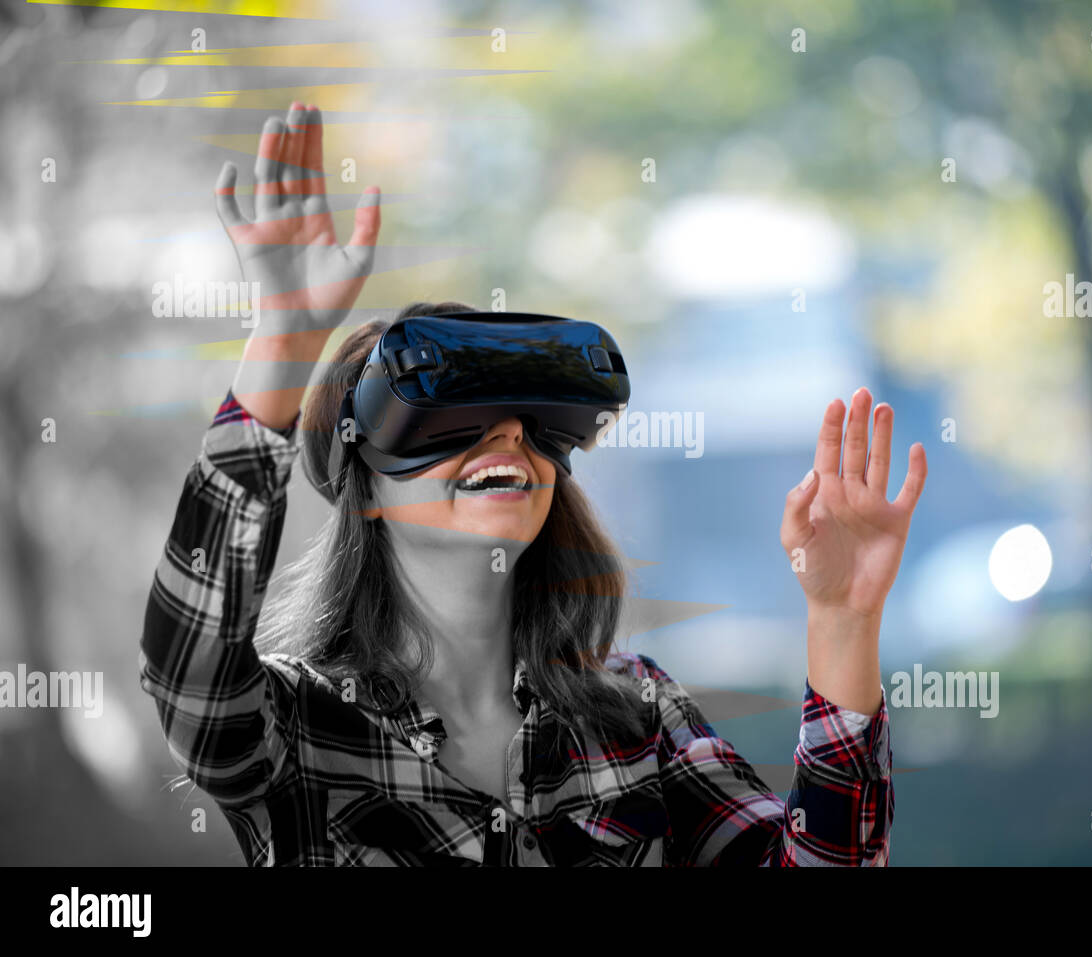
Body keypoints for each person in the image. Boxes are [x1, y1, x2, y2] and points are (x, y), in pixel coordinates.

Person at [139, 101, 928, 866]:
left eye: (526, 416)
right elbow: (189, 668)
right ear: (367, 488)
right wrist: (282, 337)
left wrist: (842, 620)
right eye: (453, 413)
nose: (507, 434)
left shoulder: (637, 714)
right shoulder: (297, 728)